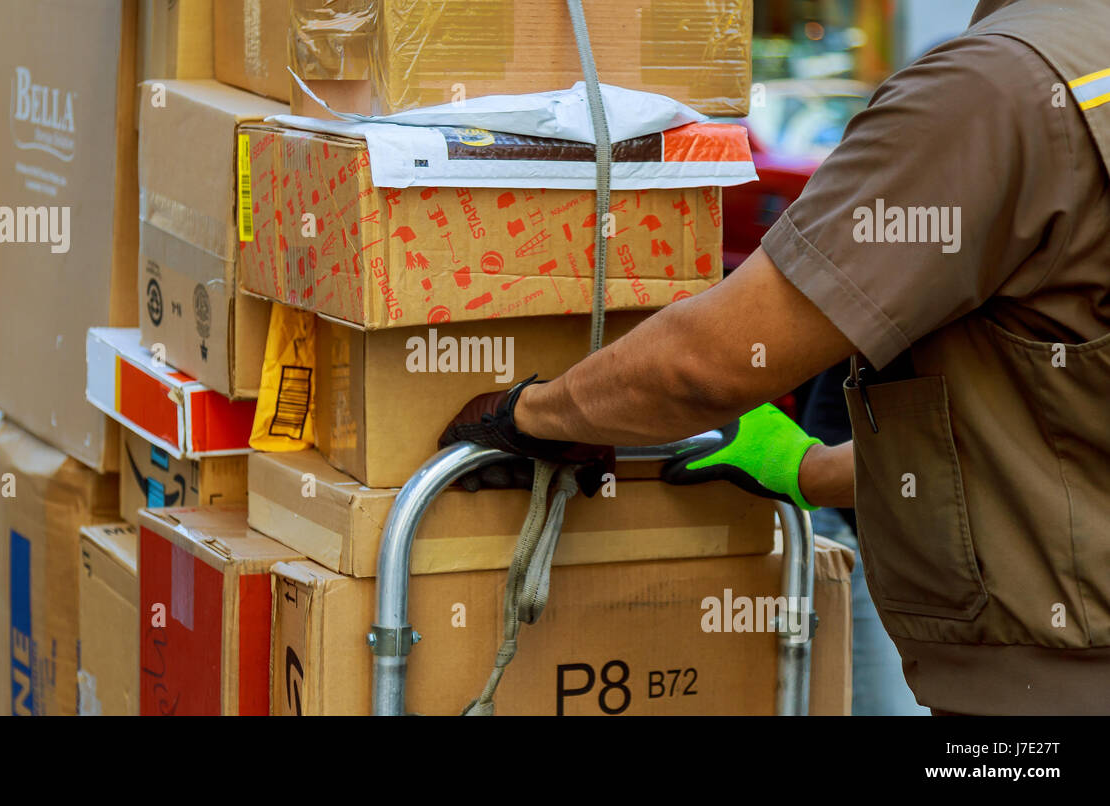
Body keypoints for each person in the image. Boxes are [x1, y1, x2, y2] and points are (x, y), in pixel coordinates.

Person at [440, 0, 1110, 716]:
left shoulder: (1001, 85)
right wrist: (806, 470)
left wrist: (531, 414)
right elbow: (1053, 429)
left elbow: (709, 364)